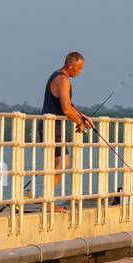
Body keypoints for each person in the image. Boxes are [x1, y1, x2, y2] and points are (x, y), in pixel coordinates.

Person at [41, 51, 92, 209]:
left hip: (51, 125)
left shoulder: (57, 76)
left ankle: (47, 199)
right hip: (53, 127)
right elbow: (65, 109)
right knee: (62, 162)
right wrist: (79, 123)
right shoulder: (63, 80)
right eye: (79, 68)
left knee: (59, 163)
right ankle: (47, 201)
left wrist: (82, 116)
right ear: (70, 65)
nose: (80, 71)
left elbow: (69, 105)